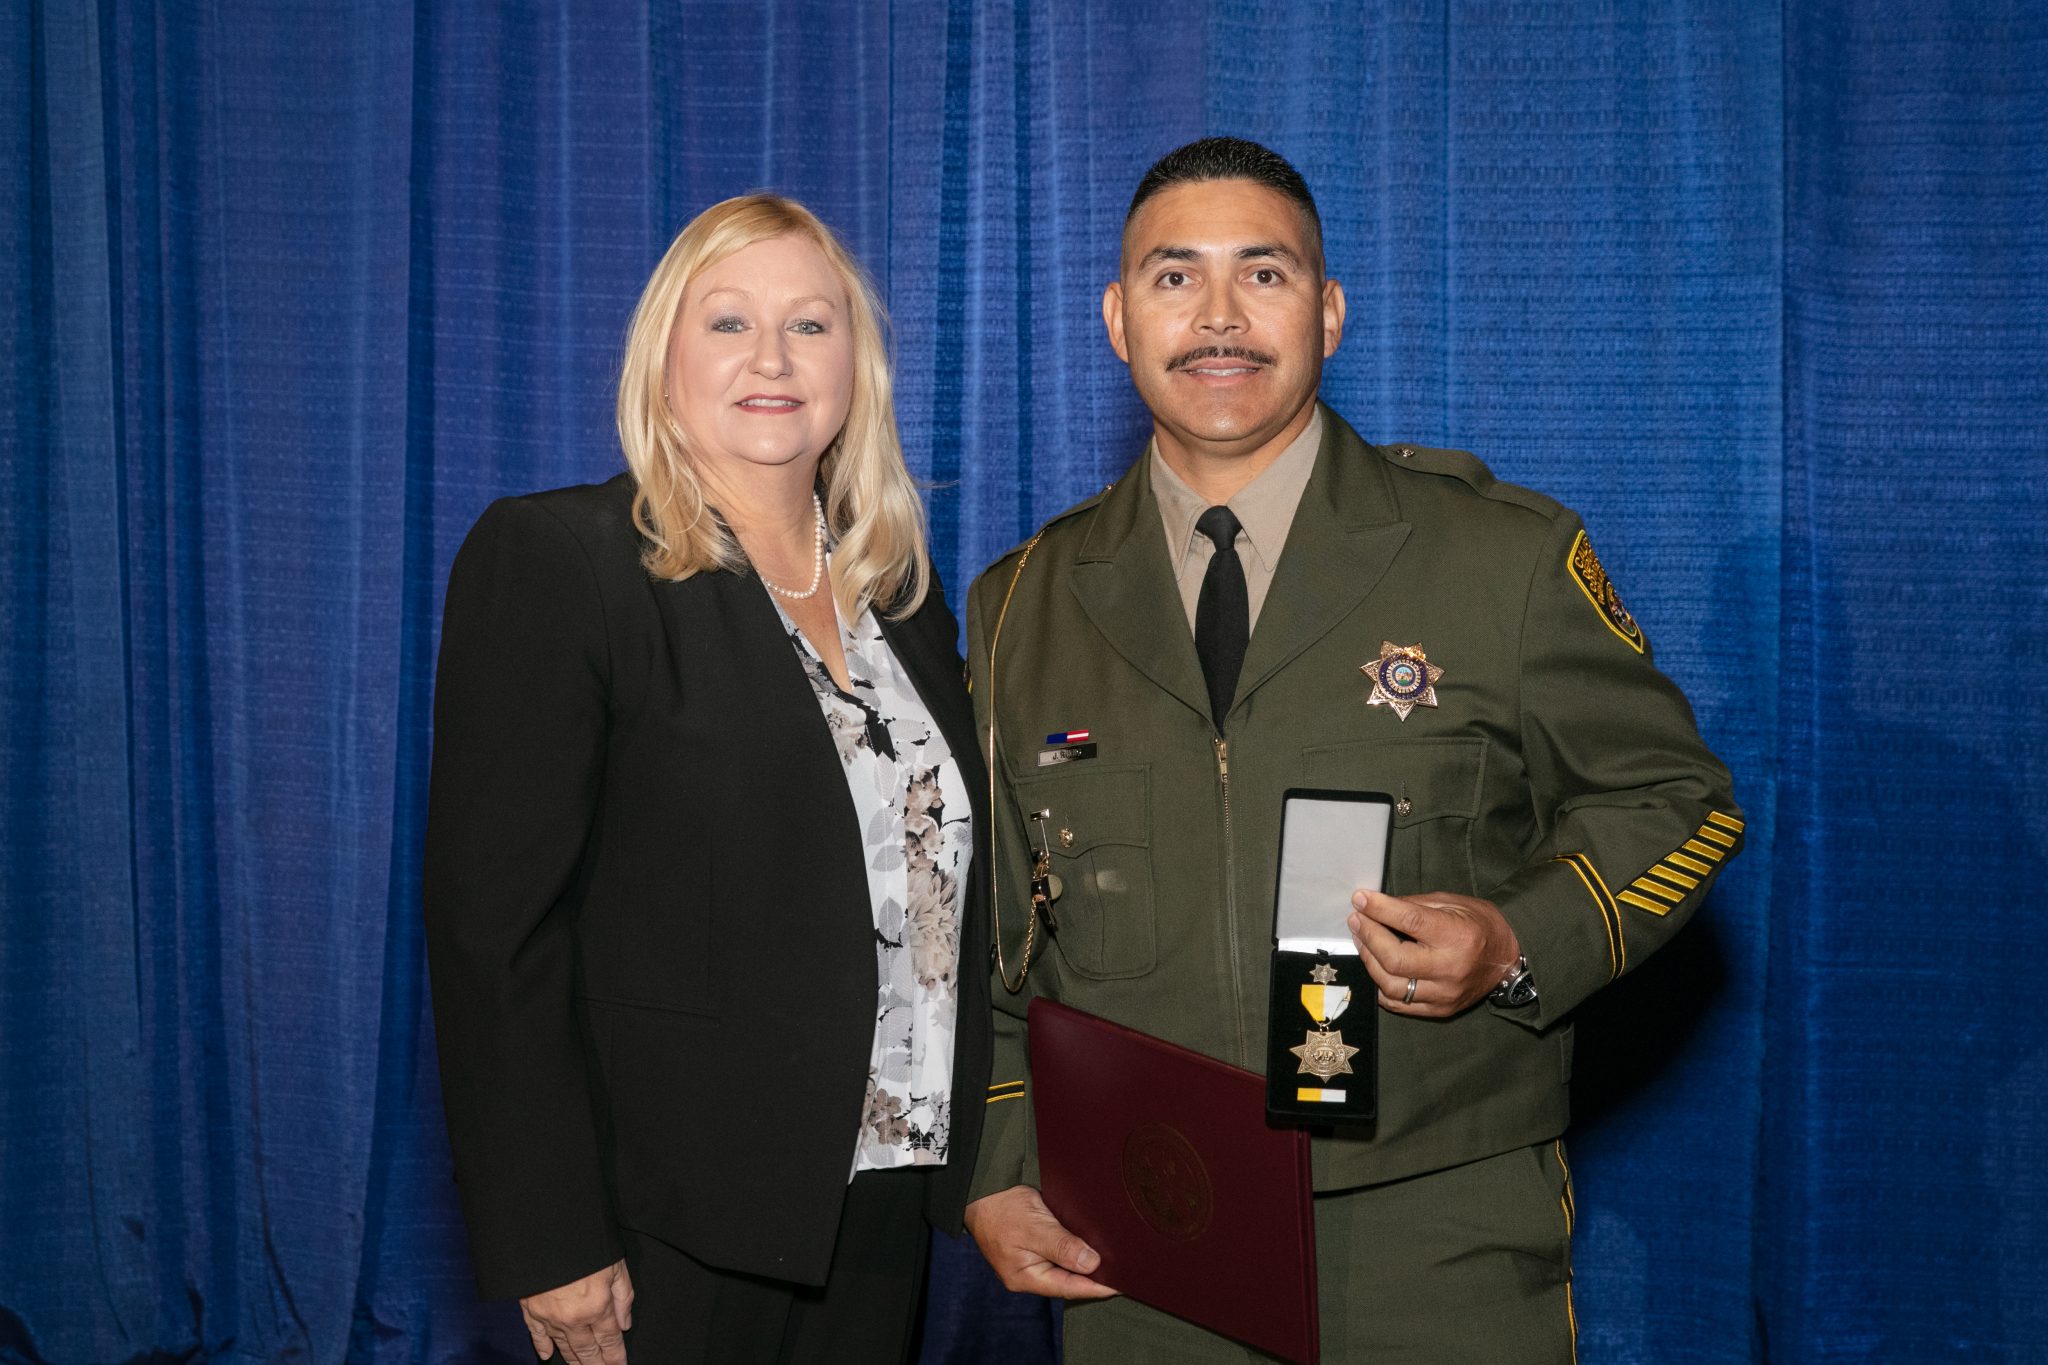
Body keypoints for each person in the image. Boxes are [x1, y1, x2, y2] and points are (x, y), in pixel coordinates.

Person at [960, 137, 1744, 1363]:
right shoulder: (1023, 604)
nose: (1217, 317)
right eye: (1174, 279)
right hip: (1145, 1238)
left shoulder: (1495, 558)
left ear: (1326, 312)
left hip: (1437, 1230)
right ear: (1116, 320)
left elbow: (1678, 802)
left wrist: (1514, 941)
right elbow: (996, 928)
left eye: (1261, 275)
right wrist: (1003, 1160)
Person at [423, 193, 989, 1365]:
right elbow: (494, 940)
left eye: (811, 325)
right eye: (727, 323)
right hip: (665, 1224)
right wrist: (551, 1242)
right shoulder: (559, 563)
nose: (772, 359)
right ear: (664, 359)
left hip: (882, 1200)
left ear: (856, 365)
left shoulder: (907, 603)